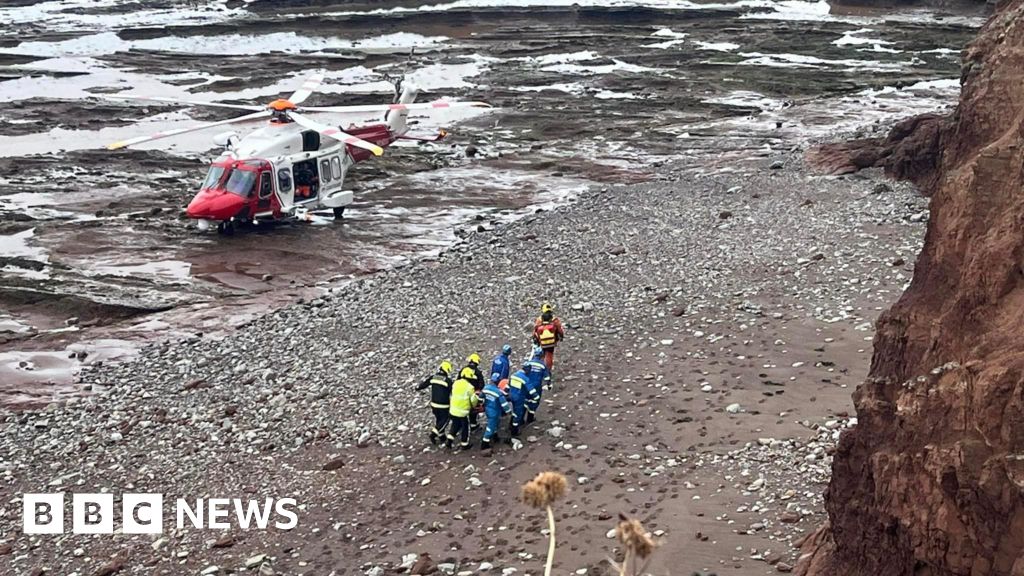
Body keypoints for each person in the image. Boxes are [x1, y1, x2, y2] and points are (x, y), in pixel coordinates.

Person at [415, 360, 453, 445]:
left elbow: (424, 384)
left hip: (434, 404)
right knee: (445, 419)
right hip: (443, 405)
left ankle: (442, 436)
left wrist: (417, 388)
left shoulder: (433, 377)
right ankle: (433, 434)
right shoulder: (447, 380)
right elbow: (453, 391)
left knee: (439, 419)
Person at [447, 373, 479, 450]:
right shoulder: (469, 387)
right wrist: (475, 405)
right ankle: (464, 444)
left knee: (455, 425)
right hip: (462, 412)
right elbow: (473, 400)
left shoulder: (456, 383)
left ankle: (449, 440)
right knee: (465, 427)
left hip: (453, 410)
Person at [481, 373, 512, 450]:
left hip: (488, 409)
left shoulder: (486, 388)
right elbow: (504, 404)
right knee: (490, 427)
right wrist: (508, 411)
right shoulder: (498, 392)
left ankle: (495, 436)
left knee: (495, 424)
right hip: (494, 411)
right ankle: (485, 443)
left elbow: (480, 398)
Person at [532, 303, 565, 377]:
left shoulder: (539, 319)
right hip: (551, 342)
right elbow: (560, 330)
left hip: (542, 342)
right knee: (549, 356)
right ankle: (547, 372)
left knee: (541, 355)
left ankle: (538, 369)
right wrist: (561, 336)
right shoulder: (555, 320)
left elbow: (535, 330)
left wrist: (535, 338)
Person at [507, 364, 538, 437]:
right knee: (518, 414)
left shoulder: (514, 375)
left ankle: (510, 424)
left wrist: (505, 394)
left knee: (514, 411)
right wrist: (536, 397)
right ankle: (514, 431)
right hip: (519, 398)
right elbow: (531, 390)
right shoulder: (525, 379)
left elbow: (507, 386)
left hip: (511, 396)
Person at [460, 353, 486, 430]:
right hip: (473, 394)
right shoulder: (477, 372)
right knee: (473, 411)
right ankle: (473, 425)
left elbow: (458, 381)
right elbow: (482, 384)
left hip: (462, 394)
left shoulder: (463, 370)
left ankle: (462, 425)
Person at [524, 346, 550, 423]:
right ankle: (530, 418)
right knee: (535, 401)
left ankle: (521, 418)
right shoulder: (542, 365)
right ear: (542, 355)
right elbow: (547, 377)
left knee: (525, 400)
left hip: (527, 385)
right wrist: (549, 385)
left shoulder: (529, 362)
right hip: (537, 386)